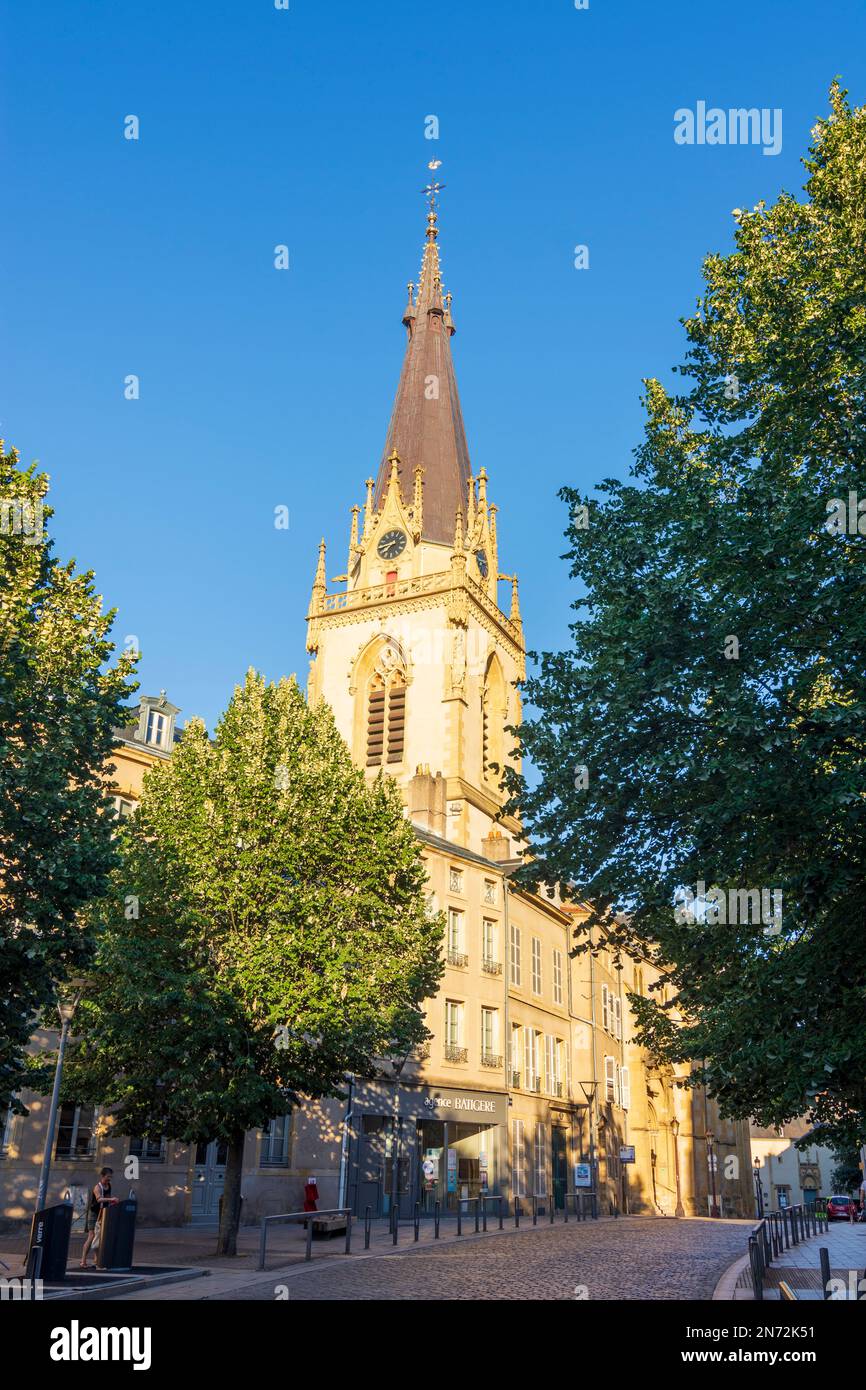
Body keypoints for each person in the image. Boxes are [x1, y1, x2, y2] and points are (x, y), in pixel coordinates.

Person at [79, 1167, 117, 1268]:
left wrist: (111, 1203)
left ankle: (97, 1260)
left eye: (111, 1177)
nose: (109, 1179)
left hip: (103, 1213)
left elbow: (107, 1198)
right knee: (91, 1236)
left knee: (100, 1236)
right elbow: (99, 1199)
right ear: (102, 1176)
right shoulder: (97, 1187)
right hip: (94, 1213)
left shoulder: (109, 1185)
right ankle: (83, 1261)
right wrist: (111, 1199)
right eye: (108, 1176)